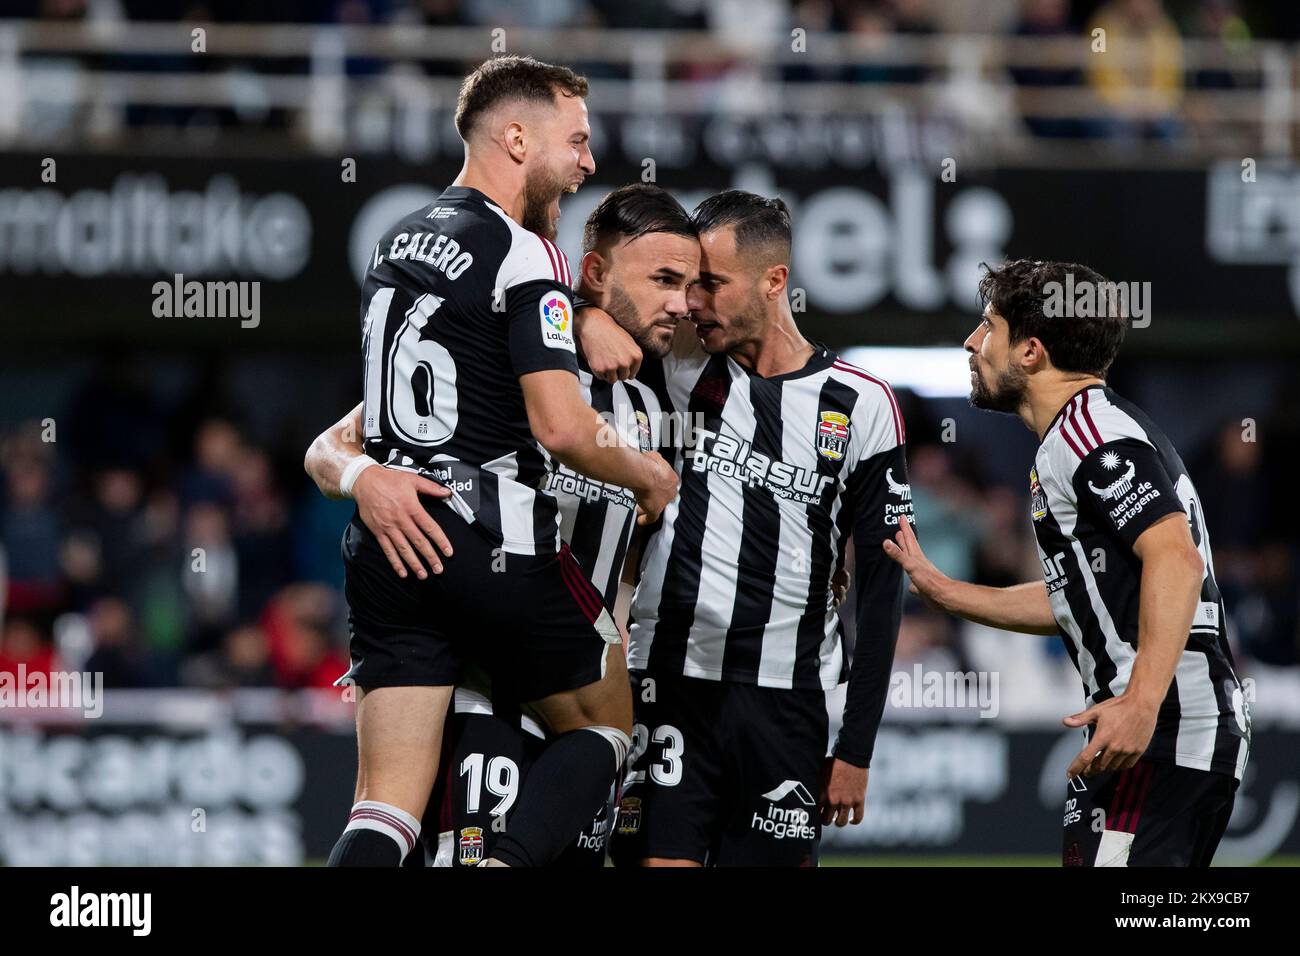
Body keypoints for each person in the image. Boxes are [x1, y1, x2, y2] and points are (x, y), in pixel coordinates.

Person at [311, 55, 678, 867]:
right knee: (608, 732)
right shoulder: (524, 255)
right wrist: (651, 474)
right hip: (490, 543)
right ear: (517, 138)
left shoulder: (394, 242)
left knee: (382, 809)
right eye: (577, 140)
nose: (588, 161)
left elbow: (345, 433)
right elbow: (561, 426)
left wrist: (362, 476)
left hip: (388, 541)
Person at [581, 190, 912, 866]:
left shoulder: (861, 404)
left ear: (774, 281)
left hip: (787, 701)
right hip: (666, 680)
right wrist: (587, 316)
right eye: (687, 282)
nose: (691, 302)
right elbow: (583, 285)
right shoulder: (675, 361)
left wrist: (856, 747)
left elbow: (882, 589)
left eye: (711, 284)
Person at [884, 258, 1251, 866]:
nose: (972, 344)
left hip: (1159, 730)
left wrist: (1140, 702)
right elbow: (1082, 599)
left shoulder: (1089, 435)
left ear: (1030, 352)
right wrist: (943, 590)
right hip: (1165, 731)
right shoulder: (1088, 432)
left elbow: (1176, 560)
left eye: (986, 327)